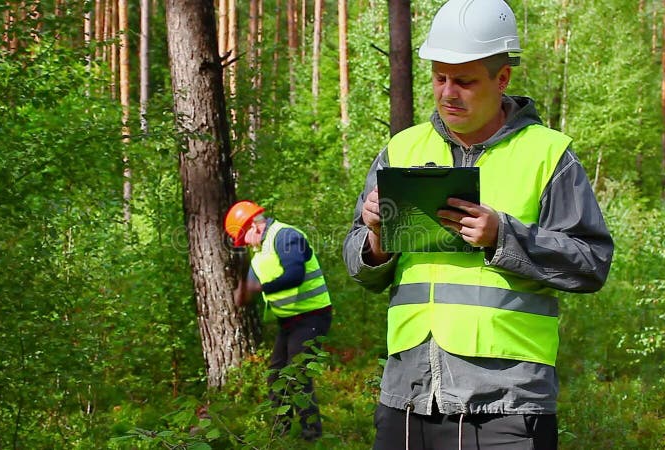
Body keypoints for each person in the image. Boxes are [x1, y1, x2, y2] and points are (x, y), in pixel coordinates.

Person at [342, 0, 614, 449]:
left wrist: (502, 236)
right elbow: (360, 266)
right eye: (440, 78)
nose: (448, 92)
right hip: (408, 397)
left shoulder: (548, 155)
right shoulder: (401, 149)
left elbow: (591, 263)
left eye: (465, 81)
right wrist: (375, 237)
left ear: (502, 79)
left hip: (507, 404)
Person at [224, 200, 332, 441]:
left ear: (255, 226)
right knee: (276, 376)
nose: (245, 245)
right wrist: (243, 292)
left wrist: (259, 286)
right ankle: (279, 434)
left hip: (312, 317)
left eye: (244, 238)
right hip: (290, 323)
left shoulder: (286, 237)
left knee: (297, 375)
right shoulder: (259, 252)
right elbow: (249, 289)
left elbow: (295, 274)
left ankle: (311, 437)